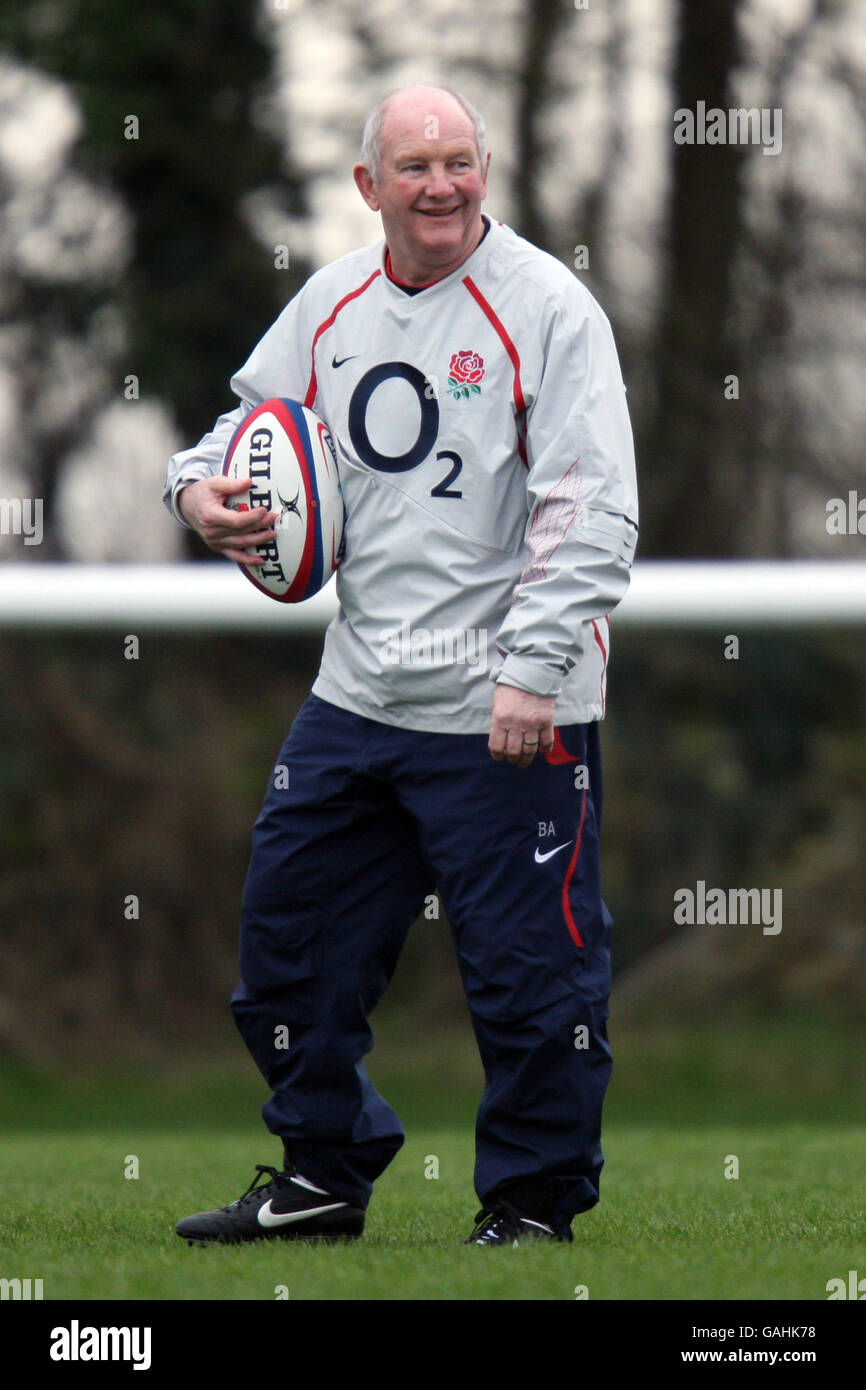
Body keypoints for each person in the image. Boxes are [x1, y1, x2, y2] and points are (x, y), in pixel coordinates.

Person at [164, 84, 638, 1247]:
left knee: (529, 977)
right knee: (288, 950)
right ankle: (321, 1174)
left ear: (486, 170)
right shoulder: (330, 302)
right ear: (367, 186)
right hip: (359, 697)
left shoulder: (549, 309)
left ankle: (530, 1205)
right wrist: (193, 491)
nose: (440, 185)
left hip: (507, 703)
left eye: (459, 160)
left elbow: (593, 512)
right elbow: (244, 428)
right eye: (414, 166)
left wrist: (531, 668)